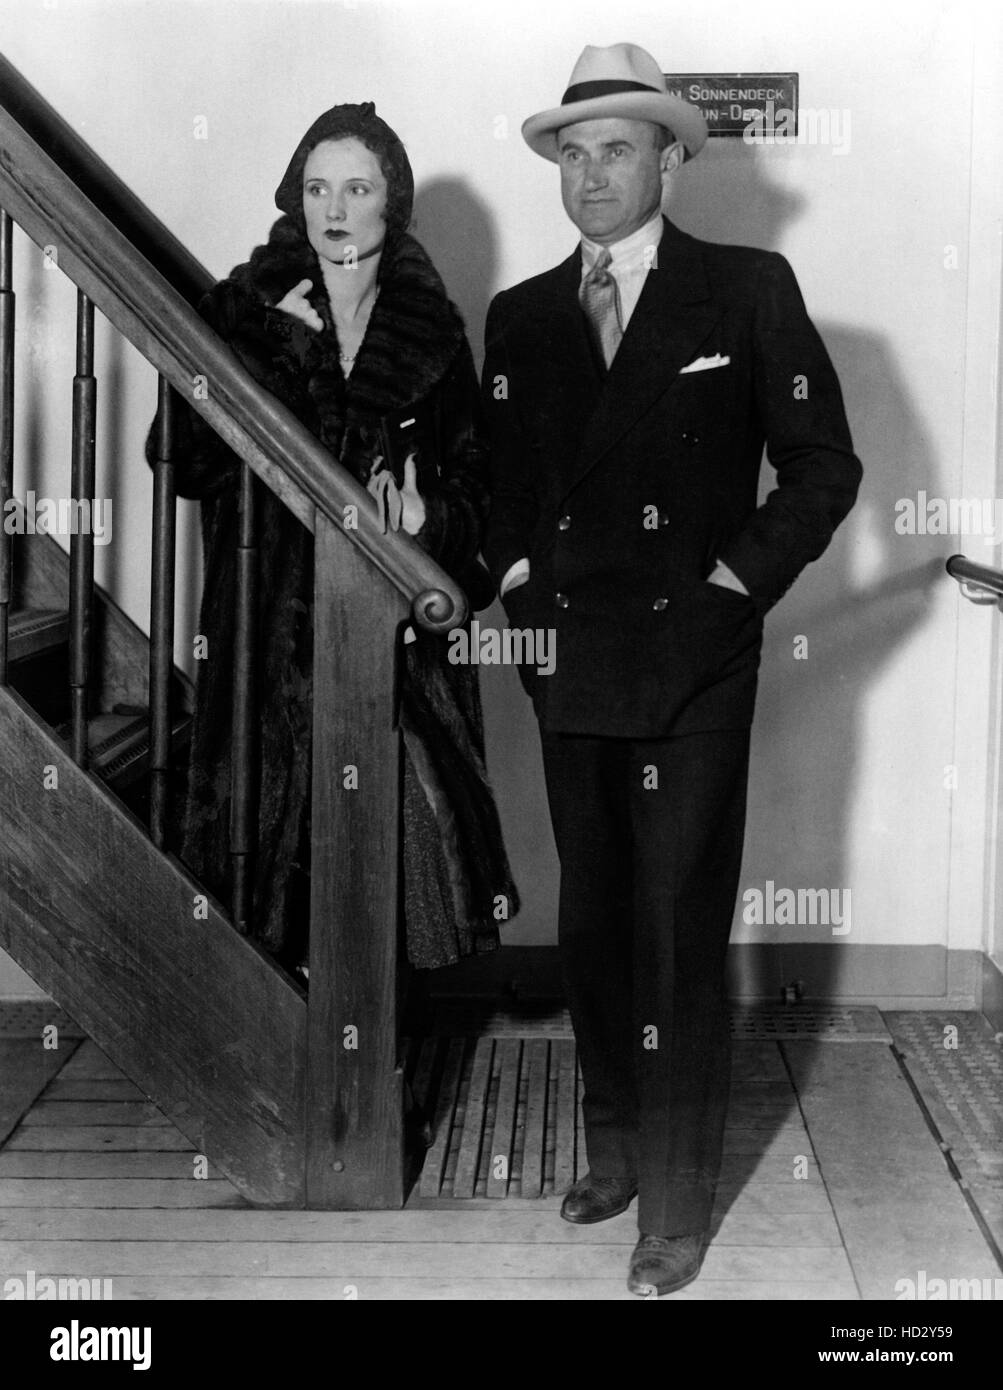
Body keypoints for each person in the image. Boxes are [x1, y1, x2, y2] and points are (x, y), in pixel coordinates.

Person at [482, 43, 862, 1295]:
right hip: (571, 665)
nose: (592, 175)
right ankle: (614, 1152)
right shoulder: (522, 316)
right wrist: (517, 586)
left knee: (678, 937)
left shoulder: (747, 290)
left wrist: (729, 589)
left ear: (671, 158)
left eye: (618, 150)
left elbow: (822, 467)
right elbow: (500, 490)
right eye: (573, 154)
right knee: (590, 926)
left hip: (693, 667)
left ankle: (680, 1209)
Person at [150, 101, 517, 978]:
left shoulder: (432, 331)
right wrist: (278, 344)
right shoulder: (246, 308)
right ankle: (288, 1041)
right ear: (296, 199)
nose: (336, 208)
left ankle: (367, 1034)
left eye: (357, 187)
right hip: (266, 613)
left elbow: (477, 479)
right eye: (318, 188)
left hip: (389, 621)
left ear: (391, 200)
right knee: (271, 835)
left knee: (396, 834)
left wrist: (431, 519)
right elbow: (179, 454)